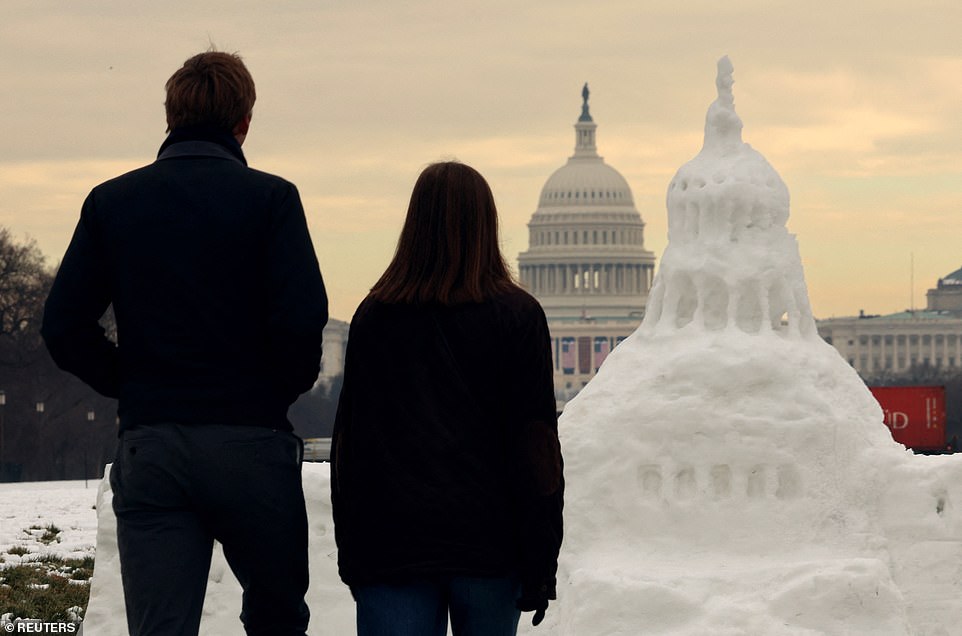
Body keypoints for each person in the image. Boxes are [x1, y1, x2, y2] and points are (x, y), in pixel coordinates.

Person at [41, 51, 327, 636]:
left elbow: (63, 326)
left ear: (169, 116)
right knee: (277, 620)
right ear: (244, 121)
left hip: (155, 442)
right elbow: (302, 324)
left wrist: (133, 382)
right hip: (251, 442)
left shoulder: (111, 203)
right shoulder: (272, 200)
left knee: (161, 626)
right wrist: (268, 394)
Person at [331, 161, 564, 635]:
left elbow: (351, 446)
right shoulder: (518, 316)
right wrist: (540, 560)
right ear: (487, 225)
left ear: (413, 226)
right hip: (488, 545)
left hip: (392, 547)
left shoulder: (375, 316)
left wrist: (353, 553)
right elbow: (536, 449)